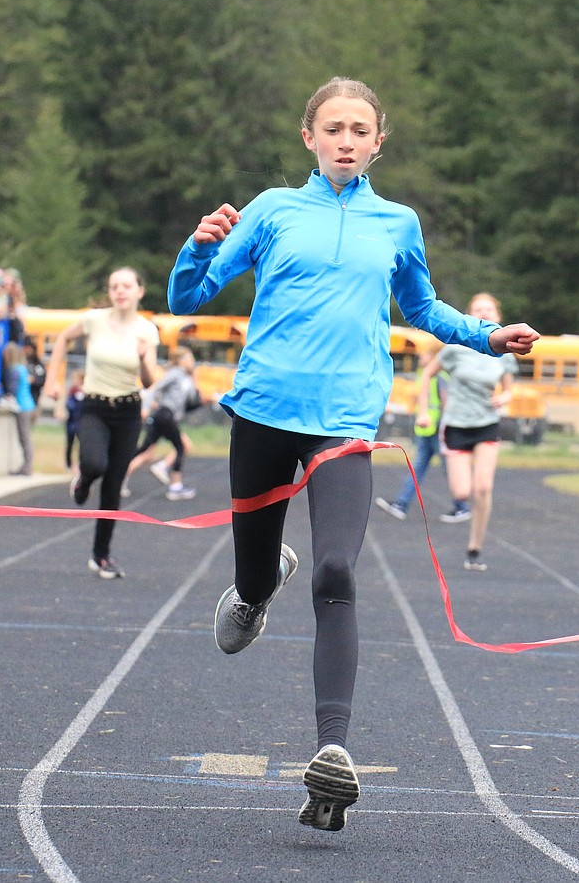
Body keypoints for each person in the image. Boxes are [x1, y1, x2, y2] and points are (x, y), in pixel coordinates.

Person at [167, 77, 540, 832]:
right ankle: (254, 583)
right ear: (309, 137)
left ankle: (331, 753)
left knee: (338, 569)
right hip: (265, 411)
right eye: (332, 127)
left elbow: (424, 308)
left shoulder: (397, 223)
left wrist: (485, 335)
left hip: (345, 418)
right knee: (250, 580)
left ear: (377, 142)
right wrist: (195, 244)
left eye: (358, 129)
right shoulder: (272, 211)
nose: (345, 139)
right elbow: (188, 298)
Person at [44, 268, 158, 580]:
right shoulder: (95, 320)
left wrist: (146, 357)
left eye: (126, 286)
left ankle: (101, 555)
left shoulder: (147, 330)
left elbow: (148, 382)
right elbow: (63, 338)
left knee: (113, 486)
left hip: (128, 411)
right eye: (114, 287)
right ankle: (82, 480)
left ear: (139, 291)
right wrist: (52, 380)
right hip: (94, 405)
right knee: (95, 463)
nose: (120, 291)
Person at [416, 292, 518, 571]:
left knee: (483, 488)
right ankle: (464, 507)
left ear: (498, 316)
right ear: (469, 315)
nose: (484, 313)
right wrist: (423, 411)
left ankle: (475, 548)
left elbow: (509, 389)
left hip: (486, 423)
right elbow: (427, 374)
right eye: (478, 309)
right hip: (456, 425)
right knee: (462, 492)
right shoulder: (454, 348)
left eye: (489, 309)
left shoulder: (503, 353)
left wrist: (506, 398)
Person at [374, 344, 454, 520]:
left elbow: (445, 402)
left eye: (423, 355)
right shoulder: (422, 376)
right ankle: (401, 504)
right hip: (426, 429)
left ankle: (462, 504)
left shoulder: (439, 377)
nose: (419, 358)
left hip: (437, 428)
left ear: (434, 358)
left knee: (450, 468)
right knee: (418, 467)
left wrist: (446, 427)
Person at [126, 346, 199, 501]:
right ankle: (174, 485)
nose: (193, 362)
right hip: (164, 414)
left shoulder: (187, 378)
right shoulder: (174, 374)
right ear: (181, 361)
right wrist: (145, 408)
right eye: (190, 358)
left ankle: (120, 476)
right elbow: (154, 388)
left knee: (146, 450)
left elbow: (192, 402)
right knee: (182, 446)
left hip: (168, 416)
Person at [1, 341, 36, 476]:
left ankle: (27, 466)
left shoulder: (13, 370)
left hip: (22, 407)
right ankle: (27, 465)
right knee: (26, 437)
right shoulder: (22, 368)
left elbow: (12, 391)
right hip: (29, 404)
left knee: (24, 437)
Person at [63, 369, 85, 470]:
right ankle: (68, 463)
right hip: (72, 421)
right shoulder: (72, 391)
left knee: (82, 444)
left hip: (82, 422)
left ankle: (82, 462)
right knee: (70, 443)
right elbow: (69, 405)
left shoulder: (85, 392)